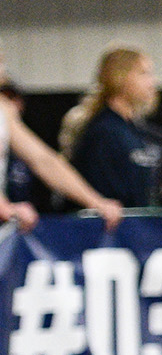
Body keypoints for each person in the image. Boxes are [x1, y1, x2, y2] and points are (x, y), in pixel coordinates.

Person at [0, 60, 124, 232]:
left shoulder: (4, 111)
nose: (3, 69)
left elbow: (43, 160)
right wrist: (5, 207)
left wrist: (96, 202)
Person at [61, 46, 162, 209]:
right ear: (120, 78)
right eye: (144, 73)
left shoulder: (139, 133)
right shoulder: (103, 133)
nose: (152, 82)